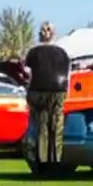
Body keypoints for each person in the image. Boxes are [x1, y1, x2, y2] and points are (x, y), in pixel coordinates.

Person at [24, 22, 71, 171]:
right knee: (56, 127)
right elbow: (67, 74)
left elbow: (27, 74)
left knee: (41, 127)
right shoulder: (62, 53)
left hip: (38, 90)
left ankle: (42, 162)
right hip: (57, 91)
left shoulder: (33, 53)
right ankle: (55, 161)